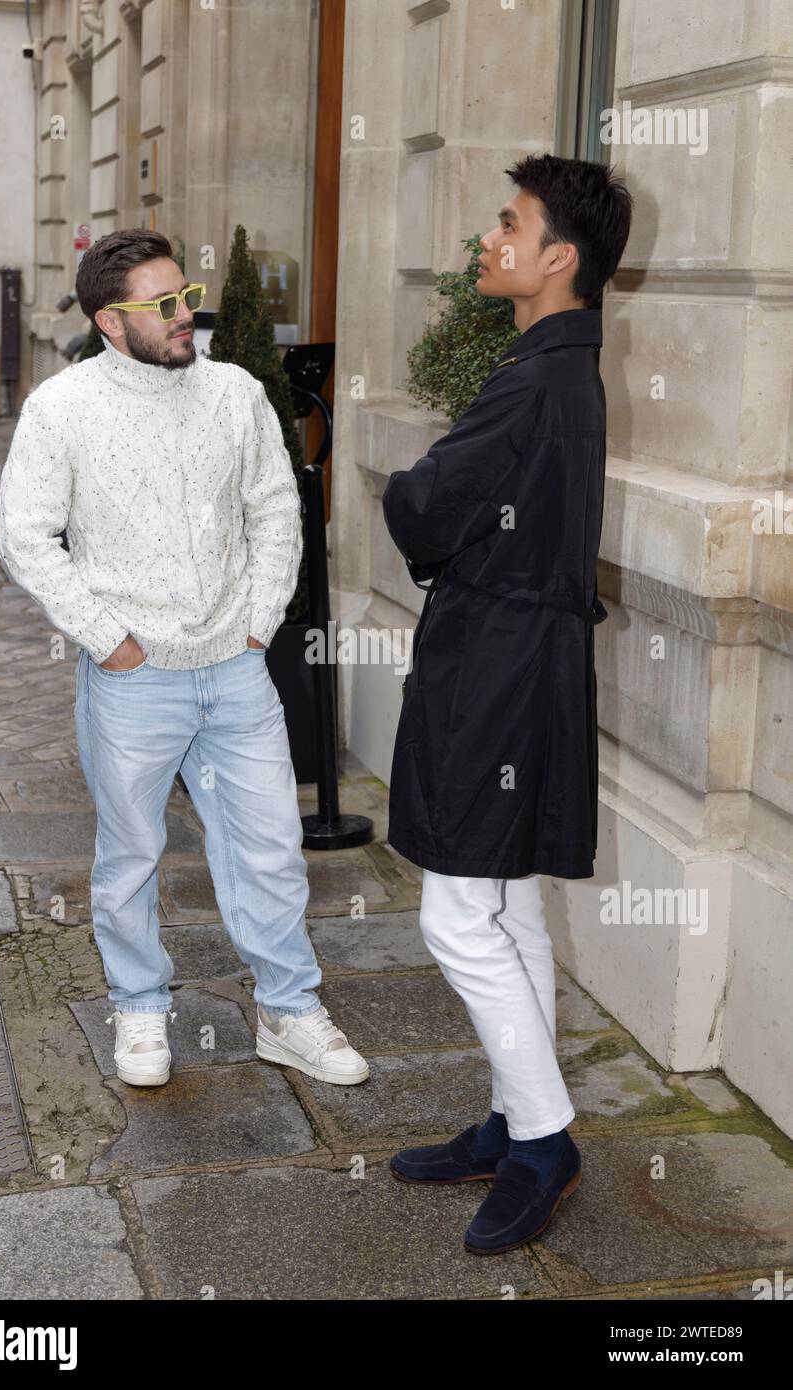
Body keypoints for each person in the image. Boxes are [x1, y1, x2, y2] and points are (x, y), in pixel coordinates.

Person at [0, 228, 368, 1091]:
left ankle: (287, 1009)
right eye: (160, 305)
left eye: (185, 296)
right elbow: (25, 539)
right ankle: (137, 1005)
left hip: (236, 671)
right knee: (130, 853)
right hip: (133, 681)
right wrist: (109, 639)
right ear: (107, 322)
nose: (183, 316)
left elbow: (275, 510)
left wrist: (256, 622)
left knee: (271, 848)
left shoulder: (234, 392)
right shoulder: (63, 408)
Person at [382, 154, 633, 1253]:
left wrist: (410, 482)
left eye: (509, 223)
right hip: (518, 659)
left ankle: (542, 1140)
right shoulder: (560, 368)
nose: (492, 240)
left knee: (456, 914)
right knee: (506, 906)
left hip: (496, 668)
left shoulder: (537, 378)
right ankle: (508, 1118)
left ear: (558, 257)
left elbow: (426, 507)